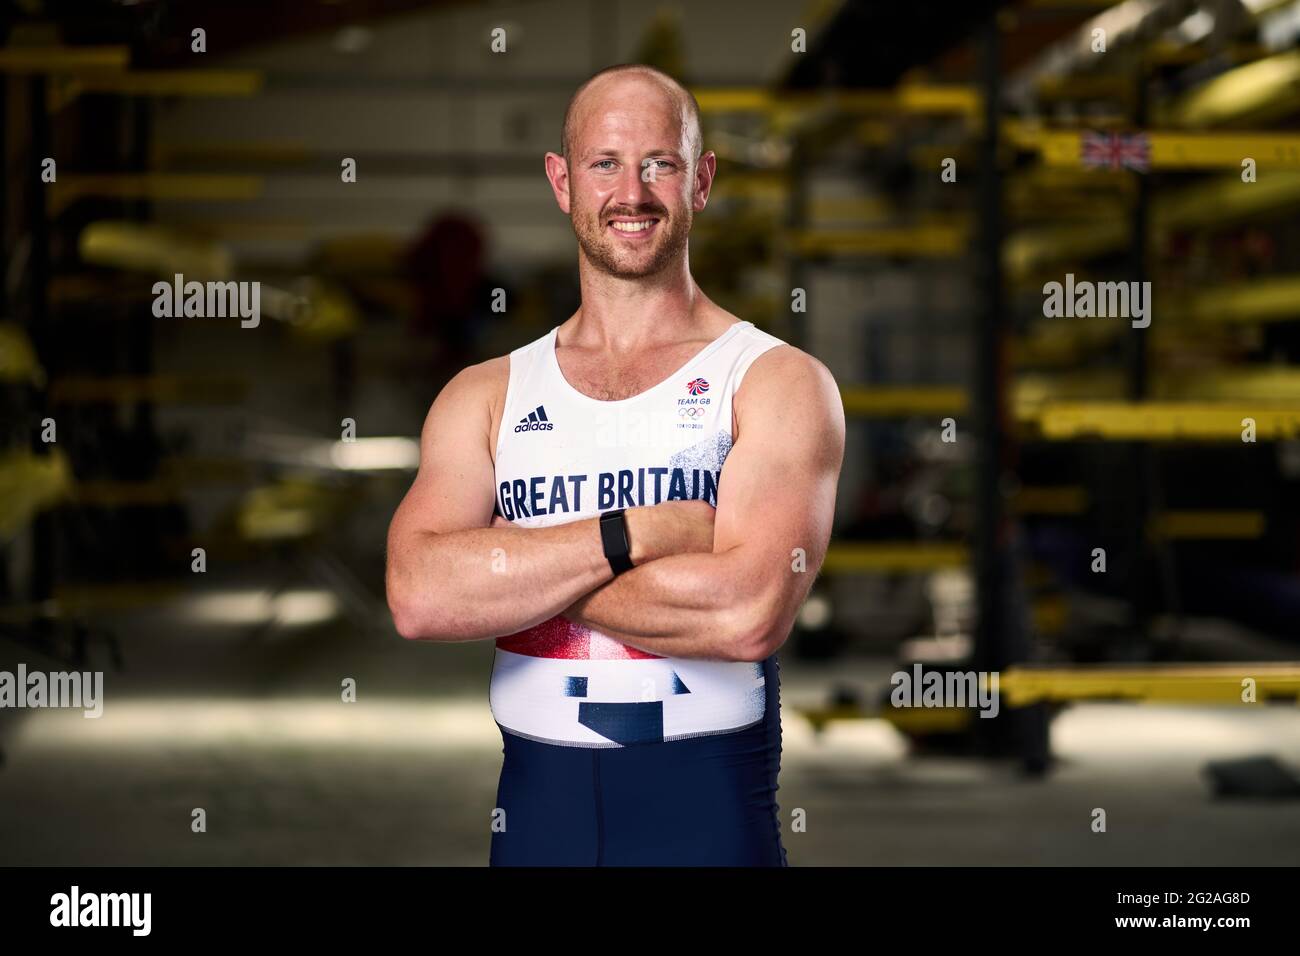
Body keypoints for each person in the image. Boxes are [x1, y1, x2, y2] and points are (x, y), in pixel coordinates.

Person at [385, 63, 845, 866]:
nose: (630, 194)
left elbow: (747, 615)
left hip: (706, 807)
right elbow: (419, 595)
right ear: (562, 182)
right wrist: (636, 533)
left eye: (659, 164)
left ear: (701, 180)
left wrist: (514, 568)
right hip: (537, 811)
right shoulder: (485, 395)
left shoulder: (774, 381)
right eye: (604, 163)